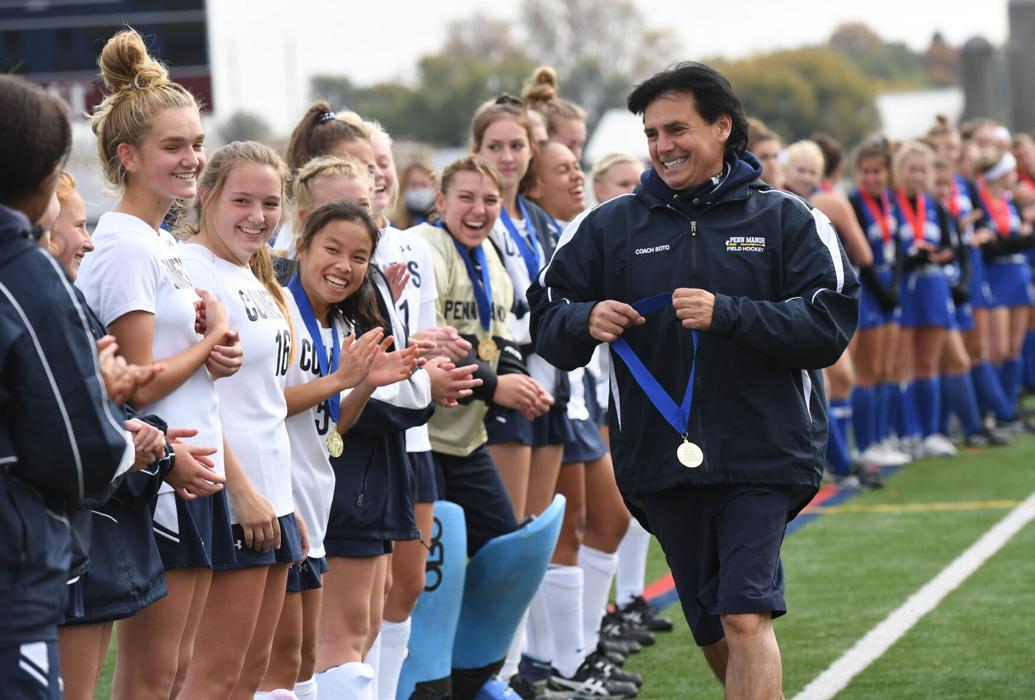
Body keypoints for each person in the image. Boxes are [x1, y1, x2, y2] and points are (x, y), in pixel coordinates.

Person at [529, 62, 859, 699]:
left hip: (765, 451)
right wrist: (582, 318)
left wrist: (729, 313)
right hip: (658, 457)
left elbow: (829, 323)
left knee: (744, 612)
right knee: (711, 622)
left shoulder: (788, 219)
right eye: (651, 134)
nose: (662, 146)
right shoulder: (606, 226)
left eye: (677, 128)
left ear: (722, 127)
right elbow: (543, 316)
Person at [76, 28, 243, 699]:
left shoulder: (160, 241)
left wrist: (217, 356)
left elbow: (181, 361)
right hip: (158, 475)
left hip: (196, 466)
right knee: (150, 679)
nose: (192, 158)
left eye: (196, 143)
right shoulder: (121, 245)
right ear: (127, 155)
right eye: (173, 146)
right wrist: (207, 347)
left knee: (178, 674)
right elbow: (134, 383)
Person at [0, 71, 137, 700]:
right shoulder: (28, 274)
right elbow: (82, 458)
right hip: (15, 569)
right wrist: (104, 404)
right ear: (42, 178)